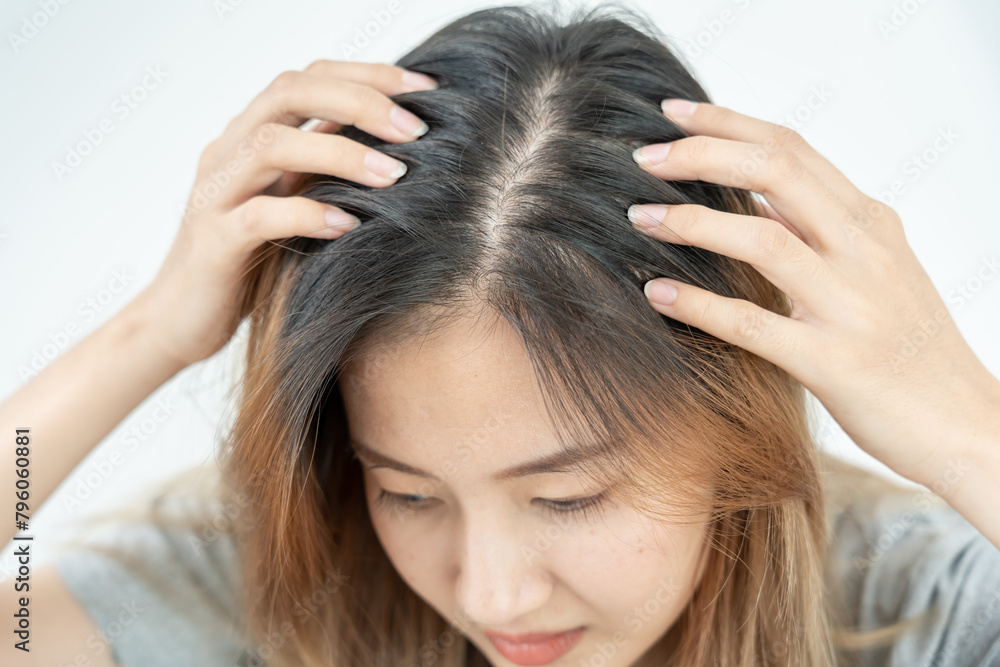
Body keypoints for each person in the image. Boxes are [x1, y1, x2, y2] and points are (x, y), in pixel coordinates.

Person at [3, 3, 1000, 666]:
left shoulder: (925, 612)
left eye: (568, 496)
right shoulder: (266, 590)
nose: (493, 594)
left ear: (734, 424)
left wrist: (967, 428)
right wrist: (149, 334)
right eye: (407, 492)